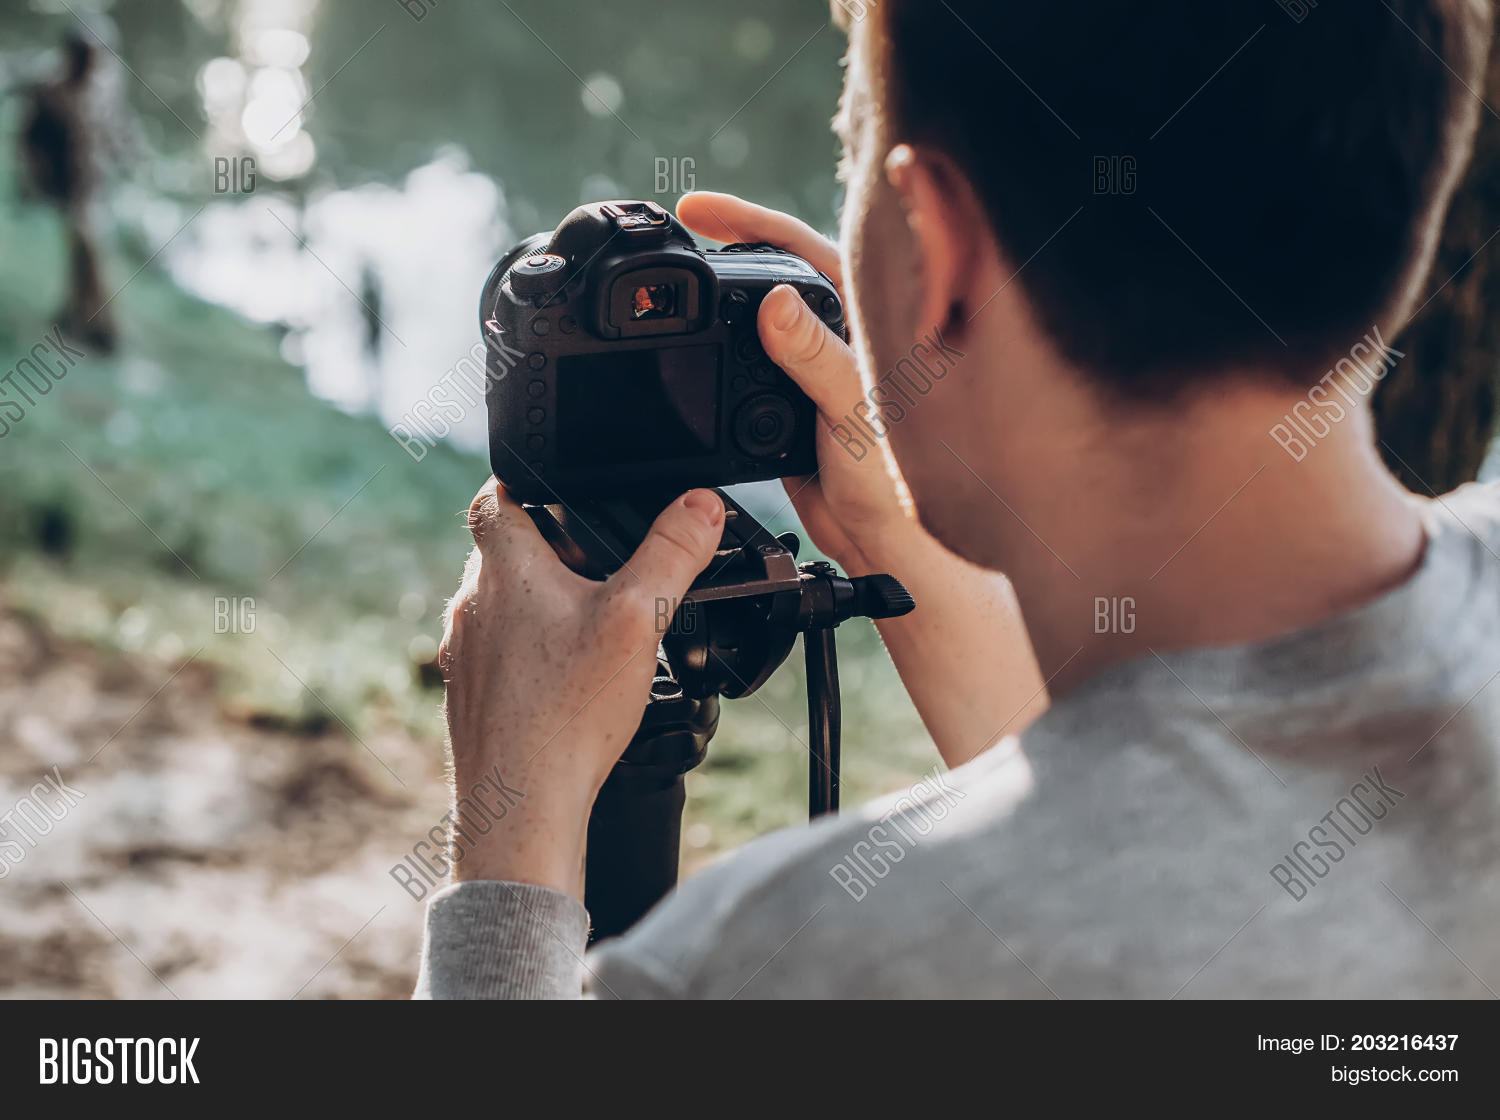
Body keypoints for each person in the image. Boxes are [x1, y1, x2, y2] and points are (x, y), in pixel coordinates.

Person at [416, 0, 1500, 998]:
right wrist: (904, 521)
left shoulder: (768, 969)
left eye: (858, 172)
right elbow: (1135, 833)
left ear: (938, 254)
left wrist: (509, 855)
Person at [17, 29, 120, 353]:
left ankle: (83, 314)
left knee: (85, 248)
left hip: (89, 183)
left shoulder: (95, 93)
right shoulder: (50, 94)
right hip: (68, 185)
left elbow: (106, 135)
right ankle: (94, 320)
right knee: (85, 248)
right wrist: (37, 176)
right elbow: (29, 140)